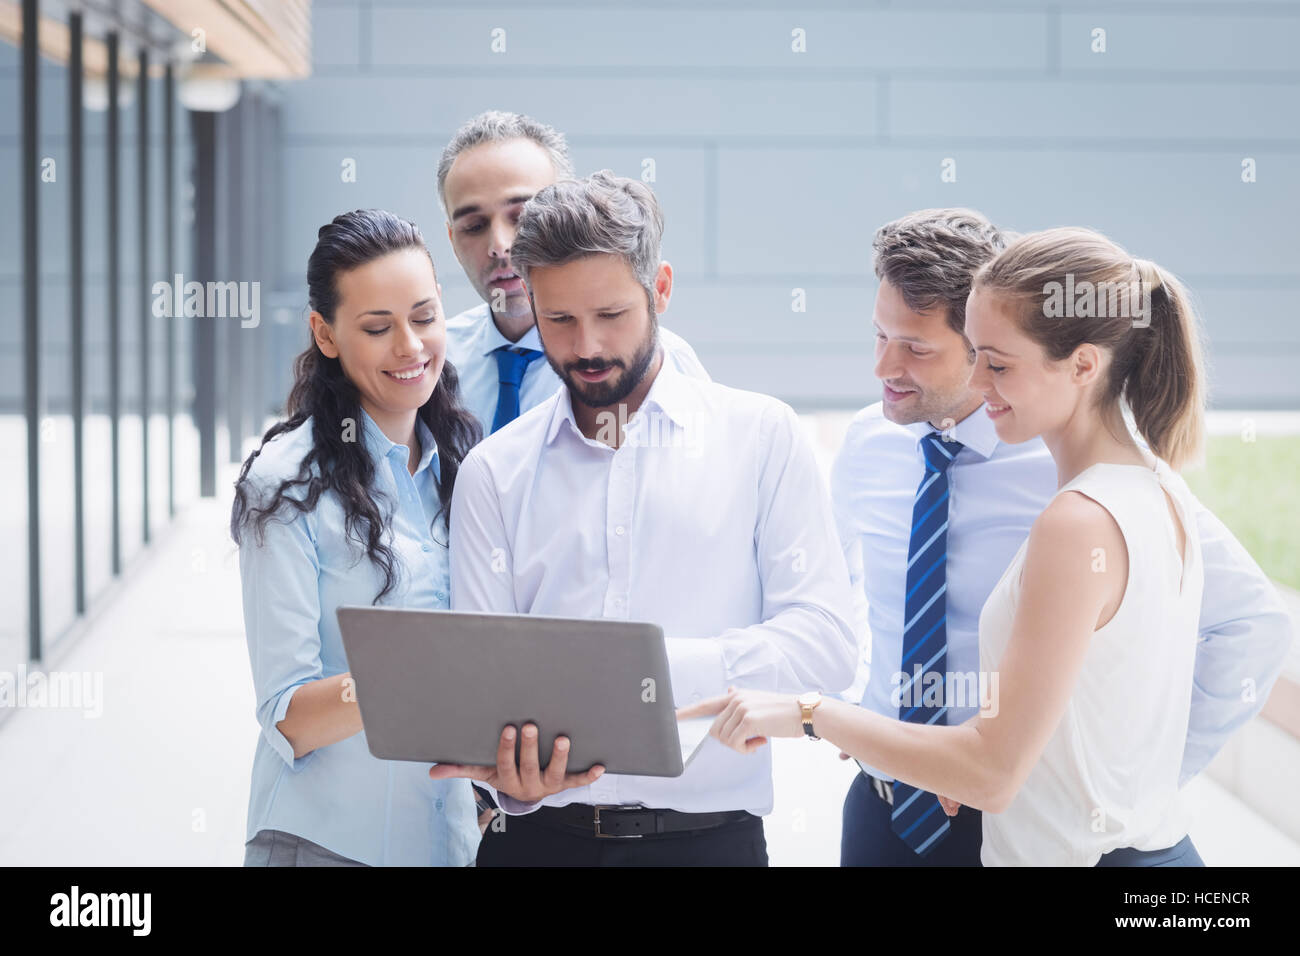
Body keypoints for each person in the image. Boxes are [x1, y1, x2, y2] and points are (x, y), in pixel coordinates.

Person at [683, 226, 1291, 867]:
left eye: (990, 361)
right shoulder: (1136, 483)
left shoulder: (1080, 513)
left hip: (1030, 823)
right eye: (880, 338)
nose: (977, 380)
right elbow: (838, 603)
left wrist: (1124, 790)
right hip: (904, 800)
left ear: (1082, 365)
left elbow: (1248, 627)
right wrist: (875, 725)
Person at [430, 171, 859, 866]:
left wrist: (645, 671)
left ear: (659, 289)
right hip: (535, 847)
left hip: (710, 844)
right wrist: (511, 781)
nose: (588, 346)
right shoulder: (494, 471)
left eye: (611, 315)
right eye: (560, 319)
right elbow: (489, 685)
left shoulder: (762, 438)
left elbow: (828, 645)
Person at [231, 209, 482, 866]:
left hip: (446, 842)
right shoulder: (284, 485)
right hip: (327, 843)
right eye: (378, 327)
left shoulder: (465, 467)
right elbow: (288, 715)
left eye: (425, 317)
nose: (410, 346)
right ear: (326, 334)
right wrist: (415, 675)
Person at [437, 110, 709, 435]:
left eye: (522, 215)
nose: (499, 244)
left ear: (567, 212)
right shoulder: (432, 364)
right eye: (475, 226)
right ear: (453, 240)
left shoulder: (657, 364)